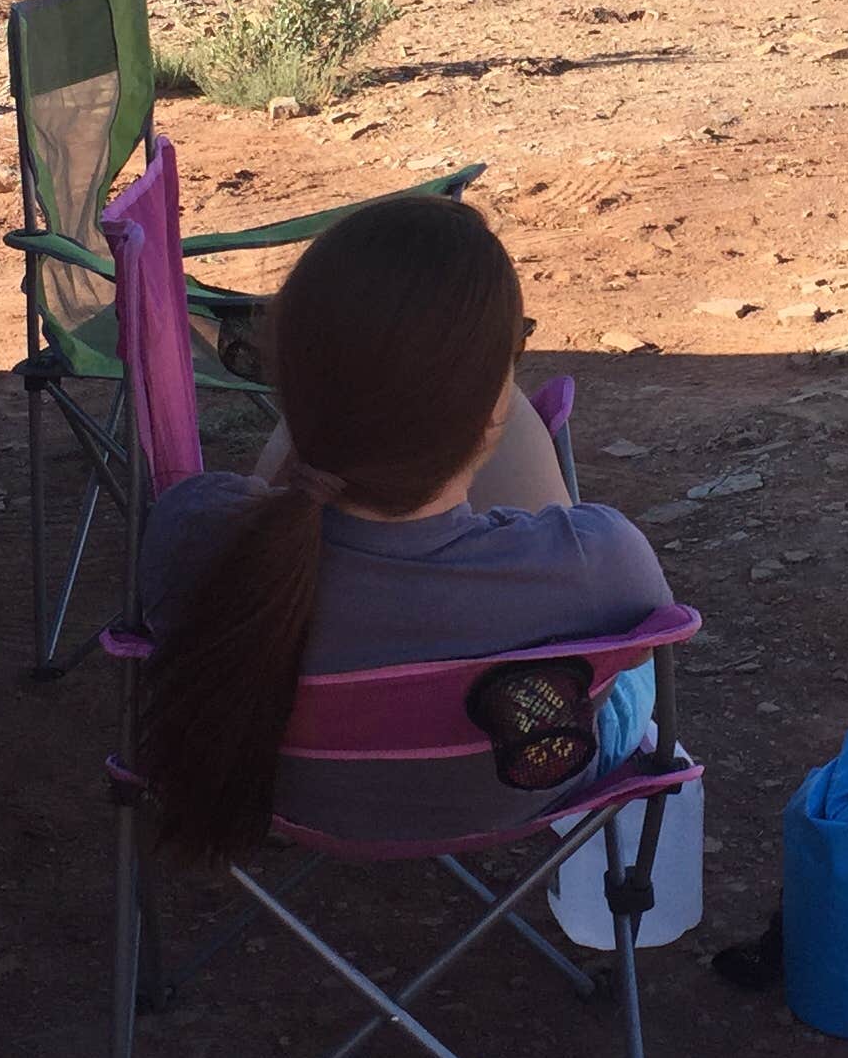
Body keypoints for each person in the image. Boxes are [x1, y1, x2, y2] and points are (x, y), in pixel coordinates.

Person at [138, 192, 671, 862]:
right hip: (523, 789)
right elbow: (646, 645)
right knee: (620, 666)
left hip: (290, 794)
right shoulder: (598, 560)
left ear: (287, 389)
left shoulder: (192, 533)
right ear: (486, 417)